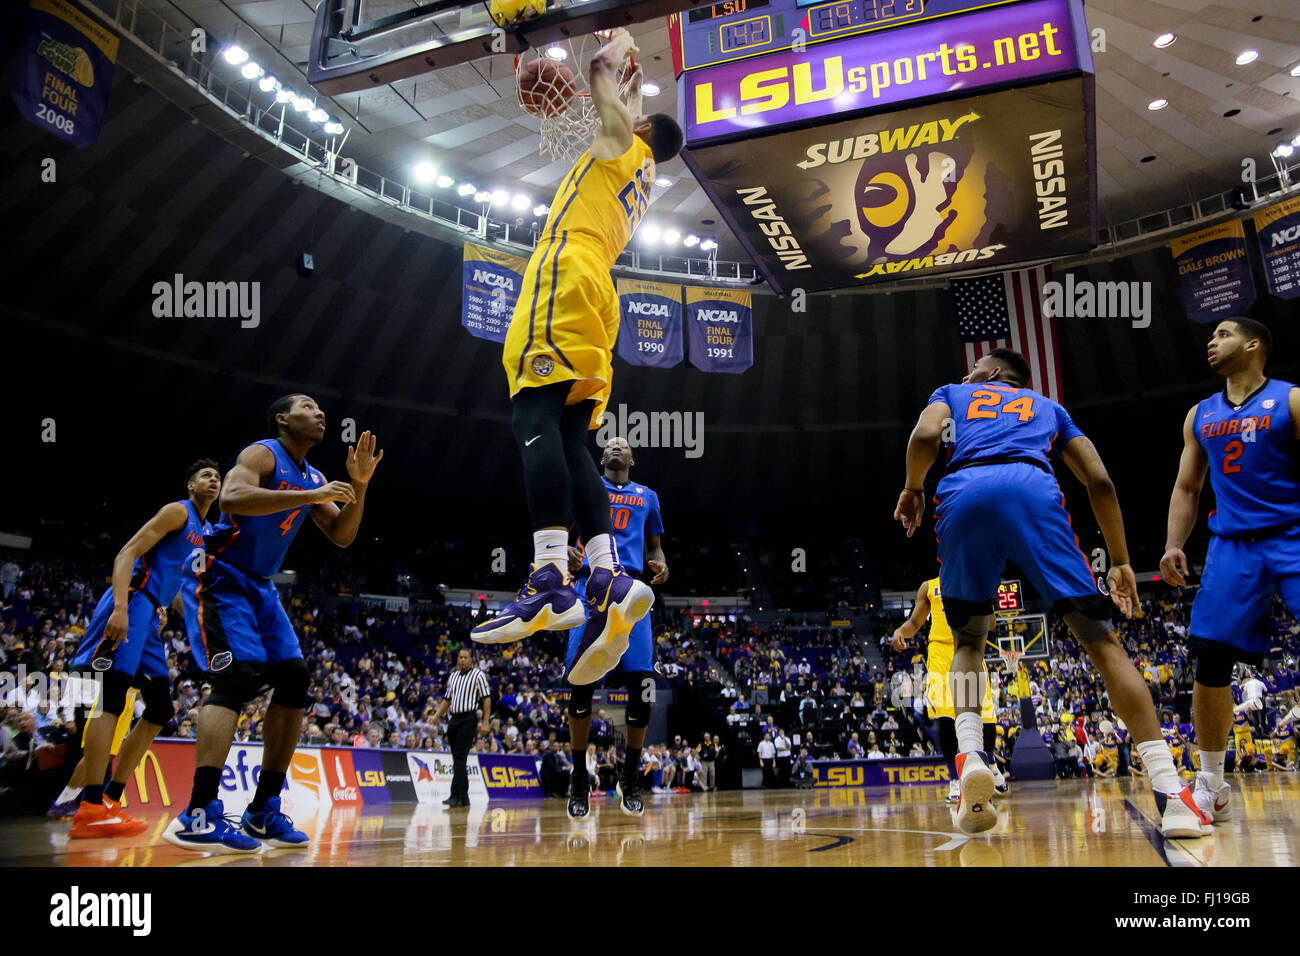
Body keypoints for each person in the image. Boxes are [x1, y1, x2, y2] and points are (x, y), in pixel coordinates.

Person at [896, 348, 1211, 838]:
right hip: (1031, 487)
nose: (966, 372)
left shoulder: (951, 394)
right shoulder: (1050, 408)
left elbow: (923, 436)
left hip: (963, 491)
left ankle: (972, 753)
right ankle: (1172, 794)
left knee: (967, 644)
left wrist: (914, 486)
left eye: (976, 367)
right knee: (1102, 642)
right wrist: (1122, 560)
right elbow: (1100, 481)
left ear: (995, 374)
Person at [472, 27, 682, 682]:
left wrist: (617, 43)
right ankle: (604, 578)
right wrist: (632, 81)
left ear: (641, 125)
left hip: (563, 273)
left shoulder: (624, 143)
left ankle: (548, 577)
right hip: (598, 294)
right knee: (569, 444)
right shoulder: (640, 170)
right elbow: (620, 97)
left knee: (532, 420)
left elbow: (596, 68)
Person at [165, 395, 381, 853]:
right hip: (218, 571)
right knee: (237, 676)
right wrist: (312, 496)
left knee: (294, 678)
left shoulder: (315, 476)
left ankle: (263, 809)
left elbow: (342, 535)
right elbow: (232, 497)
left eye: (321, 408)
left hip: (260, 585)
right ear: (283, 419)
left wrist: (358, 487)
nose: (320, 413)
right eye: (308, 406)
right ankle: (197, 813)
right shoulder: (262, 453)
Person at [1160, 318, 1300, 824]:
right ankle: (1211, 785)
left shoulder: (1290, 400)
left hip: (1293, 535)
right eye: (1211, 336)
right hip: (1231, 546)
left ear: (1254, 343)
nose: (1211, 342)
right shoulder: (1200, 414)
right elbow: (1188, 487)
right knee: (1210, 659)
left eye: (1223, 334)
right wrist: (1174, 543)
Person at [64, 459, 221, 838]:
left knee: (161, 708)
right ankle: (89, 806)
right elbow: (127, 554)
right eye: (205, 475)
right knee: (111, 698)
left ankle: (112, 800)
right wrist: (120, 607)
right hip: (132, 604)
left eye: (218, 476)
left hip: (151, 616)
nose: (214, 480)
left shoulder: (205, 530)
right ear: (190, 485)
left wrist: (194, 625)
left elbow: (180, 588)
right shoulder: (177, 511)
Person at [562, 436, 669, 819]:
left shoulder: (648, 496)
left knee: (642, 688)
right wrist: (567, 553)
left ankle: (630, 776)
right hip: (590, 588)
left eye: (623, 445)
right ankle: (578, 779)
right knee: (580, 686)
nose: (616, 447)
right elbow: (561, 535)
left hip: (634, 592)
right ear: (601, 456)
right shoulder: (584, 485)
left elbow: (654, 546)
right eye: (609, 444)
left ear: (633, 459)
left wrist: (661, 562)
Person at [892, 576, 1006, 804]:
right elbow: (914, 625)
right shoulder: (929, 587)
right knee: (944, 718)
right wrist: (899, 632)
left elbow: (991, 624)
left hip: (970, 646)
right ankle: (956, 780)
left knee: (985, 716)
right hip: (940, 654)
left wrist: (986, 599)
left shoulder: (974, 580)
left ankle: (990, 762)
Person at [430, 648, 491, 808]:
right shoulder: (453, 676)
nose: (462, 660)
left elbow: (486, 700)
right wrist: (436, 716)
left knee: (460, 759)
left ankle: (454, 796)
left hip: (468, 718)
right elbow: (447, 699)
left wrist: (485, 722)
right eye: (460, 657)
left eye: (465, 657)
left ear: (471, 659)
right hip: (453, 719)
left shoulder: (478, 675)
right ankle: (464, 797)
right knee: (457, 759)